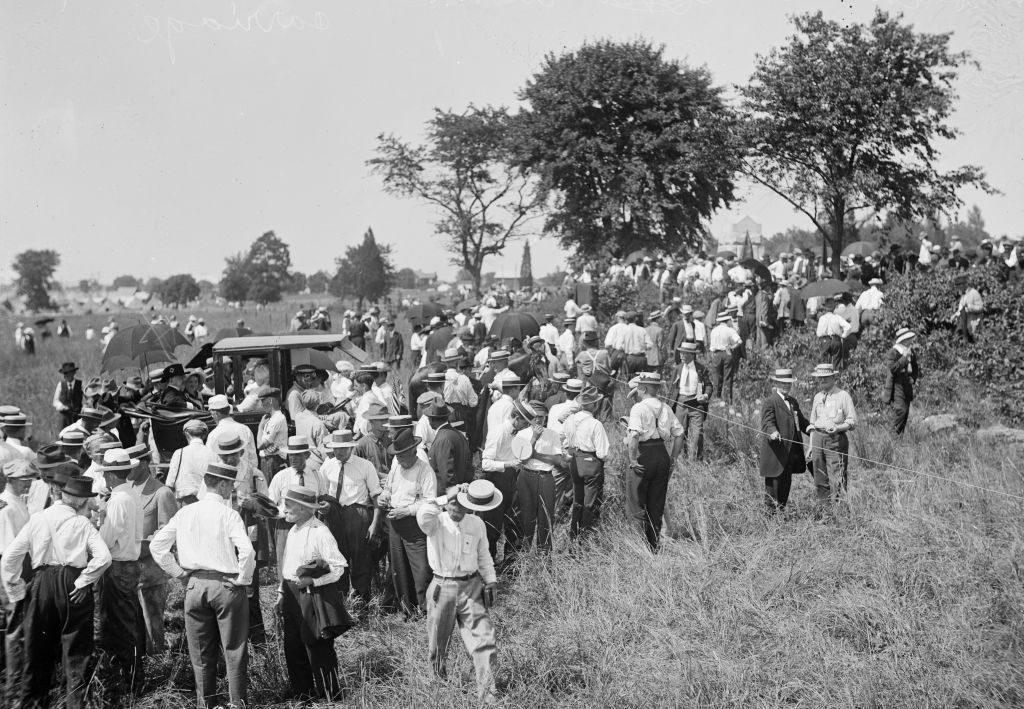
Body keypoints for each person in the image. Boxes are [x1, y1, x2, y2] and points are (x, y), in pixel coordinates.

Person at [150, 461, 255, 709]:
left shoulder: (185, 512)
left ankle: (205, 704)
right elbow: (247, 552)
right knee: (234, 650)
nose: (232, 490)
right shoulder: (229, 514)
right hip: (226, 586)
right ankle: (237, 704)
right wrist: (242, 579)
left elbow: (157, 546)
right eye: (230, 485)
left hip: (195, 586)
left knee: (199, 653)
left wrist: (180, 574)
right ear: (221, 484)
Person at [2, 476, 112, 709]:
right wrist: (83, 582)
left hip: (41, 582)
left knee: (36, 650)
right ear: (82, 502)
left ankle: (32, 702)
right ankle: (74, 703)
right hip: (72, 583)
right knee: (76, 650)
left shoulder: (37, 519)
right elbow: (104, 557)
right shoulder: (82, 524)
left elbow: (9, 560)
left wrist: (17, 592)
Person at [416, 480, 500, 704]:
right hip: (442, 587)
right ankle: (438, 684)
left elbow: (484, 555)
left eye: (460, 503)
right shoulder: (436, 522)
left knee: (484, 639)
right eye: (451, 504)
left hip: (471, 586)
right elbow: (423, 513)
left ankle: (488, 695)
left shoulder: (476, 524)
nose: (455, 508)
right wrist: (447, 496)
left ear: (470, 505)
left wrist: (491, 580)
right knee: (437, 642)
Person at [275, 486, 347, 700]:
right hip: (290, 594)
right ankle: (302, 694)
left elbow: (339, 567)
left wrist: (314, 581)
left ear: (305, 508)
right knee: (293, 646)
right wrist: (281, 593)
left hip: (311, 595)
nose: (284, 510)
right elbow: (287, 564)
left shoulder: (320, 532)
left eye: (288, 505)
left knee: (317, 644)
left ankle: (330, 695)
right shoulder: (293, 530)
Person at [96, 449, 146, 698]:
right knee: (130, 618)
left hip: (117, 565)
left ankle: (131, 679)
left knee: (119, 623)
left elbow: (107, 537)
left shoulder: (118, 499)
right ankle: (134, 674)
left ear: (111, 476)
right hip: (130, 563)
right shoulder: (132, 494)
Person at [319, 430, 382, 605]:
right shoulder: (328, 466)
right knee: (337, 557)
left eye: (342, 449)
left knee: (360, 557)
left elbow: (376, 496)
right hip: (334, 516)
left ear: (350, 448)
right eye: (335, 449)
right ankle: (340, 598)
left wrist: (375, 524)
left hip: (358, 516)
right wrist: (324, 509)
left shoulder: (365, 466)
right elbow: (322, 493)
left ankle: (361, 601)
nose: (338, 452)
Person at [378, 428, 436, 616]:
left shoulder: (425, 471)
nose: (399, 459)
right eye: (397, 455)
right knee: (399, 567)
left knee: (421, 570)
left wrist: (407, 511)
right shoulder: (396, 467)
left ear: (414, 451)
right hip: (395, 523)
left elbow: (430, 501)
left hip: (414, 525)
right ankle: (407, 608)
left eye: (403, 455)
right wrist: (384, 496)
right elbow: (388, 488)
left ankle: (426, 609)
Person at [128, 444, 178, 655]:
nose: (128, 470)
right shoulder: (125, 491)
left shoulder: (162, 493)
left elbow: (166, 532)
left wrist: (142, 546)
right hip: (128, 570)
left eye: (132, 465)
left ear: (145, 464)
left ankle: (156, 663)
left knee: (152, 621)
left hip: (151, 571)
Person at [624, 373, 683, 551]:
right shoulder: (666, 407)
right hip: (662, 454)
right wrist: (672, 458)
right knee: (656, 503)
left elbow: (634, 434)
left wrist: (633, 459)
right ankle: (653, 546)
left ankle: (639, 548)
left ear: (643, 388)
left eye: (639, 387)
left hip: (644, 453)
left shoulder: (638, 408)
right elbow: (679, 435)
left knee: (636, 503)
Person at [268, 436, 327, 578]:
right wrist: (284, 512)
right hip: (285, 525)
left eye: (298, 455)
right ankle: (284, 593)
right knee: (285, 559)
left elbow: (322, 497)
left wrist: (323, 506)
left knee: (308, 558)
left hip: (310, 525)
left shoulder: (316, 475)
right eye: (291, 455)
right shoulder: (281, 476)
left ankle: (306, 593)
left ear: (307, 455)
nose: (293, 459)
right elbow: (270, 505)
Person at [758, 368, 811, 514]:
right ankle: (770, 517)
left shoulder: (793, 402)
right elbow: (767, 422)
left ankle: (780, 513)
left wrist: (811, 428)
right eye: (782, 383)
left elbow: (801, 421)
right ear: (776, 383)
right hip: (775, 452)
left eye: (788, 383)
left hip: (790, 453)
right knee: (772, 487)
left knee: (785, 485)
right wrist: (773, 432)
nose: (786, 386)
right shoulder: (770, 402)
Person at [808, 364, 858, 513]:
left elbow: (852, 421)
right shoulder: (817, 397)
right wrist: (811, 446)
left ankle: (839, 511)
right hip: (817, 438)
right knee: (819, 475)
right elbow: (812, 423)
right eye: (820, 378)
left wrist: (838, 428)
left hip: (835, 439)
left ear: (833, 378)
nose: (822, 380)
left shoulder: (843, 396)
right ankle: (825, 511)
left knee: (837, 475)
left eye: (826, 377)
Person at [561, 387, 609, 540]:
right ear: (595, 405)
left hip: (575, 463)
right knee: (591, 503)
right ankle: (585, 539)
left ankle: (573, 536)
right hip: (591, 464)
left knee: (578, 501)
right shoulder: (595, 424)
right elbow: (603, 453)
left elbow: (562, 439)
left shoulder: (569, 421)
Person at [515, 401, 563, 553]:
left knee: (546, 518)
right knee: (526, 517)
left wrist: (535, 455)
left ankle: (544, 556)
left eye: (542, 417)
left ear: (546, 417)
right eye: (535, 417)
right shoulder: (522, 434)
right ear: (530, 418)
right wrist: (534, 438)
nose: (538, 420)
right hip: (526, 476)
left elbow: (557, 460)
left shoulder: (552, 434)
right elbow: (523, 459)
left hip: (546, 477)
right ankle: (524, 554)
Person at [669, 342, 713, 461]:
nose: (681, 355)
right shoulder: (678, 368)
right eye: (681, 353)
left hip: (696, 403)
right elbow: (671, 388)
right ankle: (680, 460)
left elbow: (709, 385)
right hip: (680, 403)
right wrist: (668, 407)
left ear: (692, 355)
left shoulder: (701, 369)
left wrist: (705, 395)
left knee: (697, 434)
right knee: (679, 433)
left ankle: (695, 461)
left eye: (684, 353)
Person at [426, 402, 472, 494]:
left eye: (428, 418)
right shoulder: (457, 434)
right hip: (460, 492)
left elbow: (447, 475)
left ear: (431, 419)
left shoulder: (442, 439)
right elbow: (468, 465)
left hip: (447, 498)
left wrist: (451, 496)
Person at [165, 419, 212, 504]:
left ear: (187, 434)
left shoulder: (179, 453)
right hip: (207, 503)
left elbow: (170, 483)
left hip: (185, 503)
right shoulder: (212, 453)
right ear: (205, 435)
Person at [885, 328, 921, 436]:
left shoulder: (910, 350)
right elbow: (893, 368)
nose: (911, 340)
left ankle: (898, 439)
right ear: (904, 339)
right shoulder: (894, 352)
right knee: (901, 411)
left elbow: (915, 367)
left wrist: (913, 378)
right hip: (897, 385)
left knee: (905, 413)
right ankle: (892, 437)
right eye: (909, 338)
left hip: (907, 385)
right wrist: (904, 358)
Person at [708, 312, 742, 406]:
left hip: (716, 354)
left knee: (716, 377)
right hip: (727, 352)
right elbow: (739, 341)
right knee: (728, 377)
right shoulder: (729, 330)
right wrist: (732, 347)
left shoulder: (714, 330)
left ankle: (716, 399)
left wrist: (712, 356)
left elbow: (711, 347)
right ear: (727, 320)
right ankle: (727, 401)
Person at [256, 385, 288, 479]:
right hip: (269, 460)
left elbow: (260, 445)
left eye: (263, 401)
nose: (261, 404)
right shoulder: (273, 418)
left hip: (274, 461)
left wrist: (260, 428)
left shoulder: (277, 419)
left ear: (270, 401)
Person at [816, 299, 852, 369]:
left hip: (824, 341)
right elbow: (848, 327)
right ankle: (835, 377)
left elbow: (818, 333)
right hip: (835, 340)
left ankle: (826, 378)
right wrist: (843, 336)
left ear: (825, 308)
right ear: (834, 308)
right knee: (836, 362)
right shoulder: (837, 317)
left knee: (825, 364)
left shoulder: (822, 318)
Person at [53, 362, 84, 428]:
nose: (65, 375)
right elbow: (55, 401)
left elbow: (85, 399)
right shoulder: (61, 384)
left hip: (77, 417)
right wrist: (62, 407)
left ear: (73, 373)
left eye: (67, 373)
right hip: (64, 417)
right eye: (64, 373)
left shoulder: (80, 384)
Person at [953, 274, 984, 341]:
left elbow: (981, 307)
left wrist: (970, 308)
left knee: (976, 342)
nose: (958, 287)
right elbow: (960, 309)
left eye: (959, 285)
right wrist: (955, 315)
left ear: (964, 284)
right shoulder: (963, 296)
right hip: (964, 326)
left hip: (974, 324)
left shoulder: (974, 293)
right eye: (957, 285)